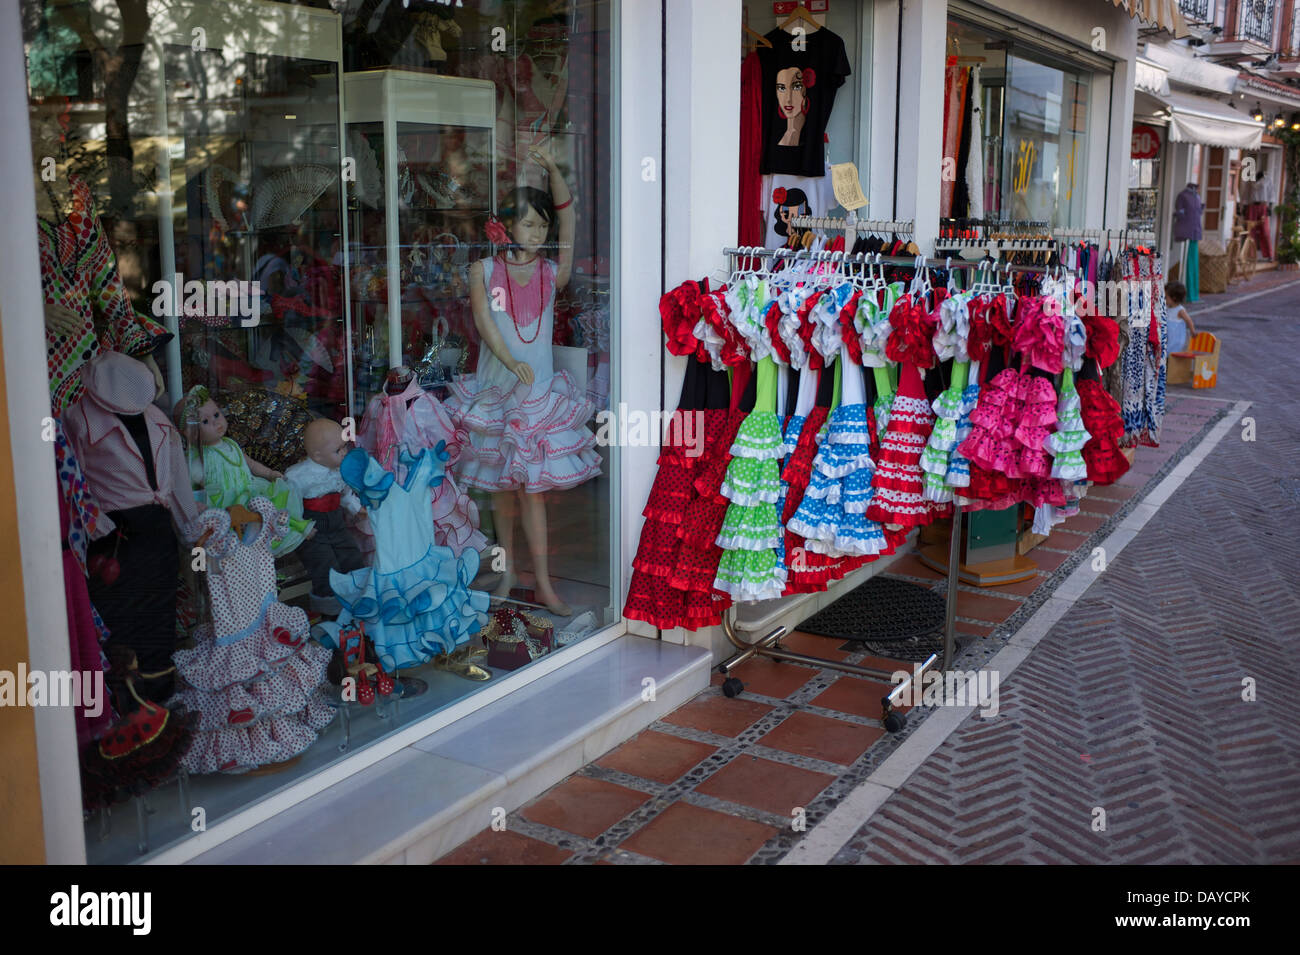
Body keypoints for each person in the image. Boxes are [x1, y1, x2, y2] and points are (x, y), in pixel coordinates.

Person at [445, 145, 601, 616]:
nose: (538, 232)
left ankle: (545, 583)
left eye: (542, 225)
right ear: (507, 225)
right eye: (529, 224)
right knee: (501, 497)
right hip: (496, 394)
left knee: (533, 495)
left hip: (537, 400)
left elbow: (569, 223)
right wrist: (510, 362)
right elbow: (484, 322)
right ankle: (509, 571)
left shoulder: (552, 272)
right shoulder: (484, 269)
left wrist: (555, 171)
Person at [1164, 281, 1196, 354]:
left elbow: (1188, 320)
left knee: (1172, 351)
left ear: (1174, 298)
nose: (1164, 299)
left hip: (1175, 337)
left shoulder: (1180, 310)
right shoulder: (1167, 308)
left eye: (1166, 297)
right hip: (1168, 336)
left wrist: (1192, 331)